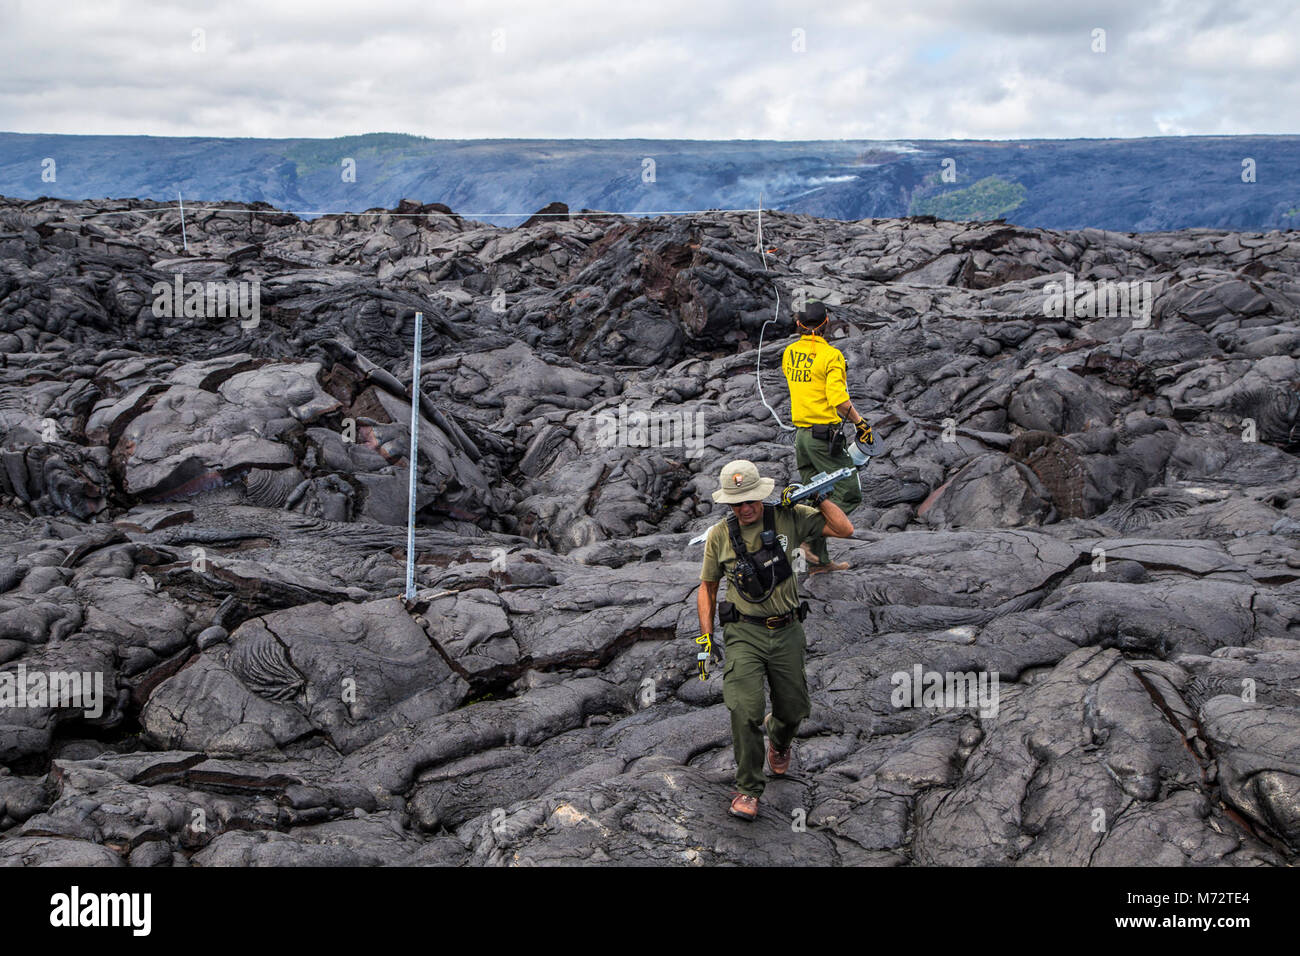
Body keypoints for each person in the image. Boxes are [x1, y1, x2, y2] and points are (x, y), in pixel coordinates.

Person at [696, 459, 854, 820]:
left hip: (787, 631)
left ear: (761, 495)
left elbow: (844, 529)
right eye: (737, 503)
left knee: (794, 709)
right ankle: (748, 789)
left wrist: (818, 498)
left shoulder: (788, 515)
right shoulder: (720, 536)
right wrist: (705, 639)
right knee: (744, 709)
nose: (745, 508)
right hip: (743, 633)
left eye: (750, 500)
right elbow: (707, 588)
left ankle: (779, 739)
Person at [780, 299, 872, 572]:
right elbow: (840, 400)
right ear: (826, 323)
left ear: (798, 324)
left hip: (802, 438)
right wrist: (861, 424)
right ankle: (808, 536)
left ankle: (819, 562)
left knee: (815, 495)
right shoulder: (831, 356)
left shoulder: (789, 353)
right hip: (824, 439)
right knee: (850, 493)